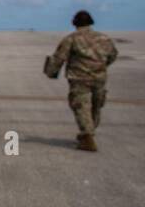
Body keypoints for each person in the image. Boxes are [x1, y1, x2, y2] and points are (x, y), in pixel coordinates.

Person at [46, 10, 117, 151]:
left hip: (79, 78)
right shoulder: (104, 38)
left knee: (81, 106)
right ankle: (89, 132)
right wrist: (101, 67)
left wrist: (51, 72)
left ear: (74, 23)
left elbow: (59, 58)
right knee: (96, 105)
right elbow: (112, 55)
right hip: (99, 78)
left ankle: (87, 136)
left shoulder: (71, 39)